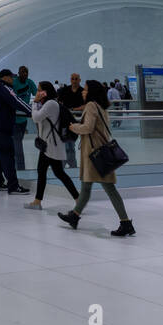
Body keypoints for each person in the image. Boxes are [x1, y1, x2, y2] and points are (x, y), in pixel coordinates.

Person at [57, 80, 133, 235]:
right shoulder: (101, 107)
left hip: (95, 154)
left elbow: (88, 128)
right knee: (86, 186)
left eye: (85, 89)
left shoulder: (91, 106)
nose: (83, 92)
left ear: (91, 91)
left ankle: (125, 223)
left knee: (109, 188)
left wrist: (73, 127)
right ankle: (75, 216)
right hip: (97, 152)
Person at [25, 81, 79, 210]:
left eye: (39, 90)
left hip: (51, 145)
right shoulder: (49, 103)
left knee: (58, 173)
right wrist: (37, 103)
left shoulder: (50, 104)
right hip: (49, 145)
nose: (37, 92)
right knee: (48, 172)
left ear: (45, 92)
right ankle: (38, 201)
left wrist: (34, 103)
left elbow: (36, 118)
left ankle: (78, 199)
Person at [0, 69, 32, 194]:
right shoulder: (4, 88)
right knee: (8, 156)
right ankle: (13, 186)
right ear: (5, 78)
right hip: (1, 128)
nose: (13, 80)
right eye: (12, 77)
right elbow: (16, 101)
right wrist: (32, 111)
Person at [12, 65, 37, 168]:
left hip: (23, 120)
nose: (25, 74)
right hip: (14, 120)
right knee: (17, 143)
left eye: (26, 72)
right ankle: (20, 167)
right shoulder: (14, 82)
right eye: (23, 72)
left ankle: (18, 166)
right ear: (19, 73)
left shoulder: (30, 82)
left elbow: (37, 93)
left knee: (17, 143)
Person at [57, 73, 84, 168]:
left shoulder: (82, 91)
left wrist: (74, 109)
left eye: (76, 79)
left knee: (71, 146)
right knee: (64, 145)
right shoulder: (65, 90)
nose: (74, 80)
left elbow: (86, 105)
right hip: (65, 121)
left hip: (77, 121)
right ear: (70, 80)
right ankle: (63, 167)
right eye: (73, 79)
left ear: (79, 80)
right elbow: (59, 103)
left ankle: (72, 167)